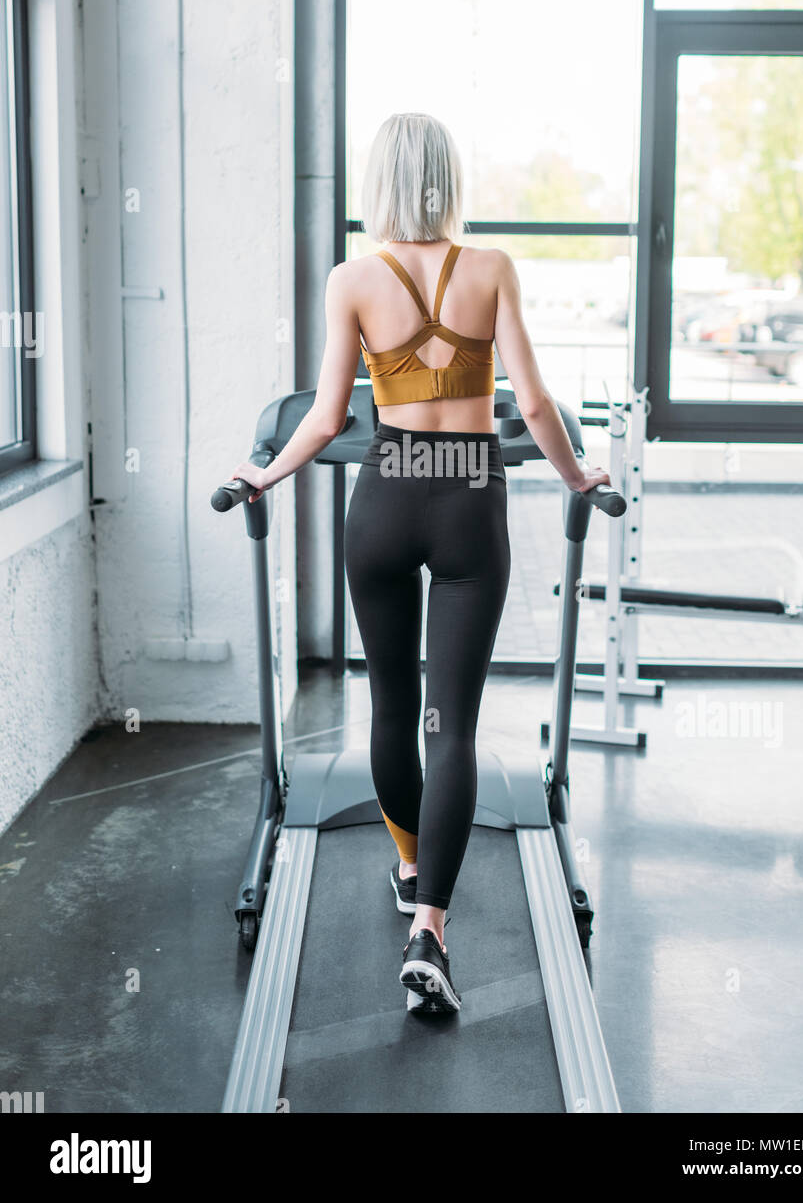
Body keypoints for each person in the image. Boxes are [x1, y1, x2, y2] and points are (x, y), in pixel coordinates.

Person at [231, 112, 611, 1014]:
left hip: (386, 499)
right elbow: (535, 397)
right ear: (448, 177)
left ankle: (407, 867)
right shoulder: (489, 271)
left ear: (378, 185)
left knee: (393, 706)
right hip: (469, 501)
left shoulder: (353, 279)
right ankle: (430, 925)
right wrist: (577, 476)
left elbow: (325, 420)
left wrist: (263, 476)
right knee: (454, 728)